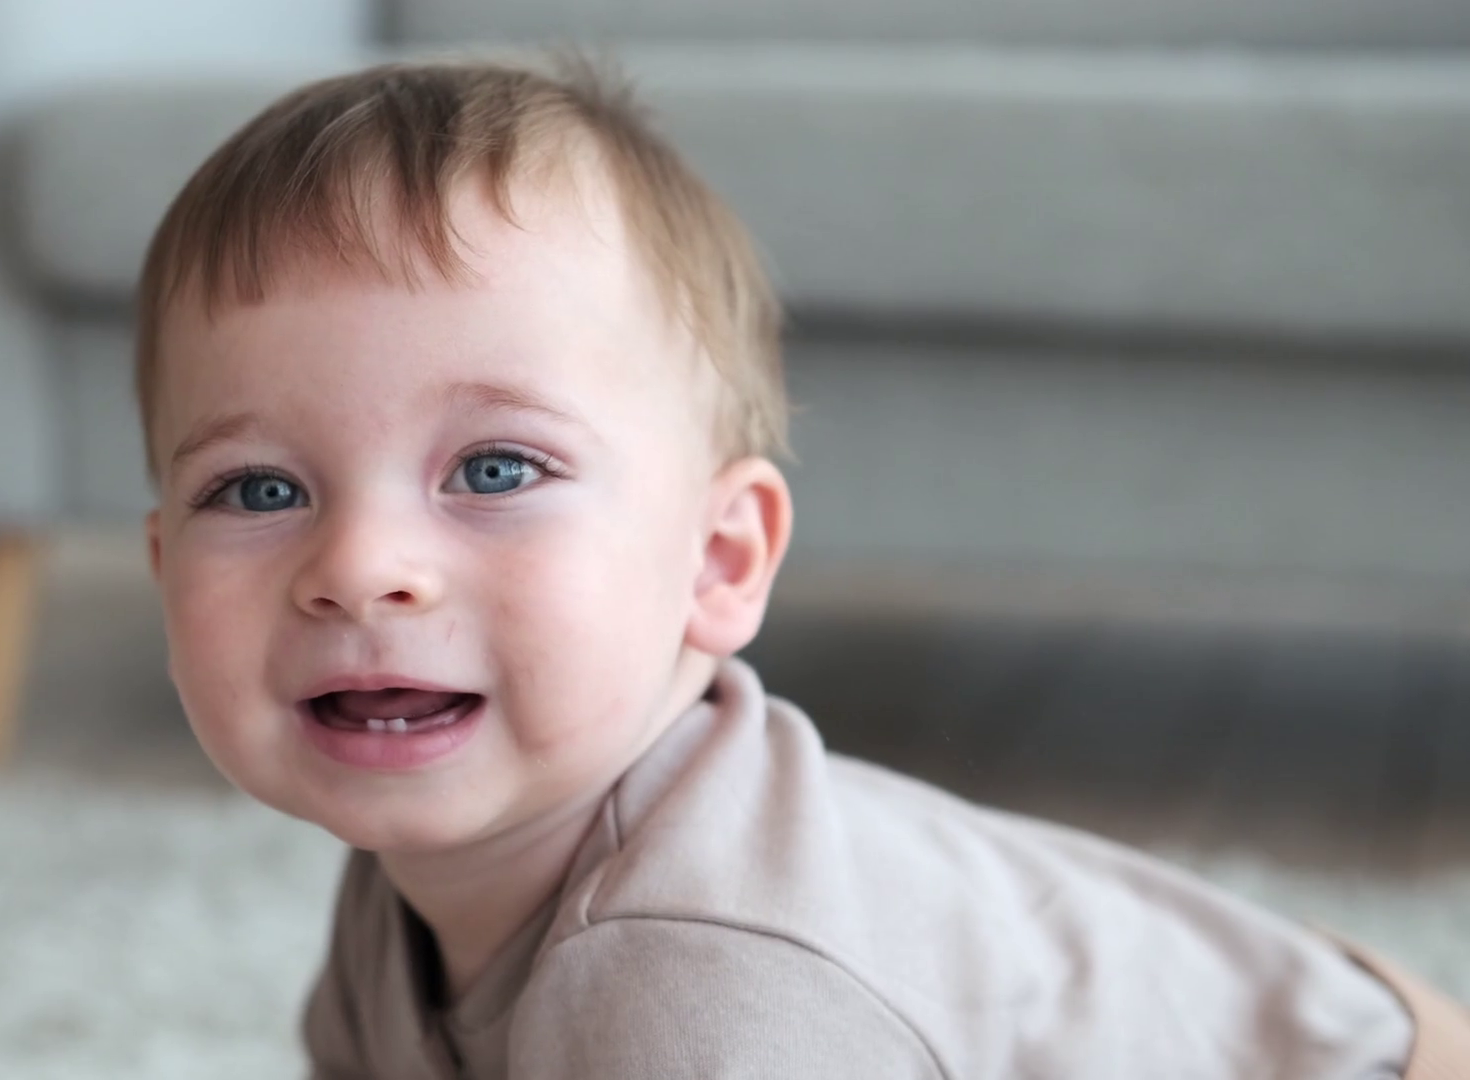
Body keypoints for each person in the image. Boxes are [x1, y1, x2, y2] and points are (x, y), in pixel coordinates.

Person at [134, 57, 1468, 1078]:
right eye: (258, 489)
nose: (360, 569)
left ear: (718, 560)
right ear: (158, 562)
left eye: (493, 471)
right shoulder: (411, 884)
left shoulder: (717, 989)